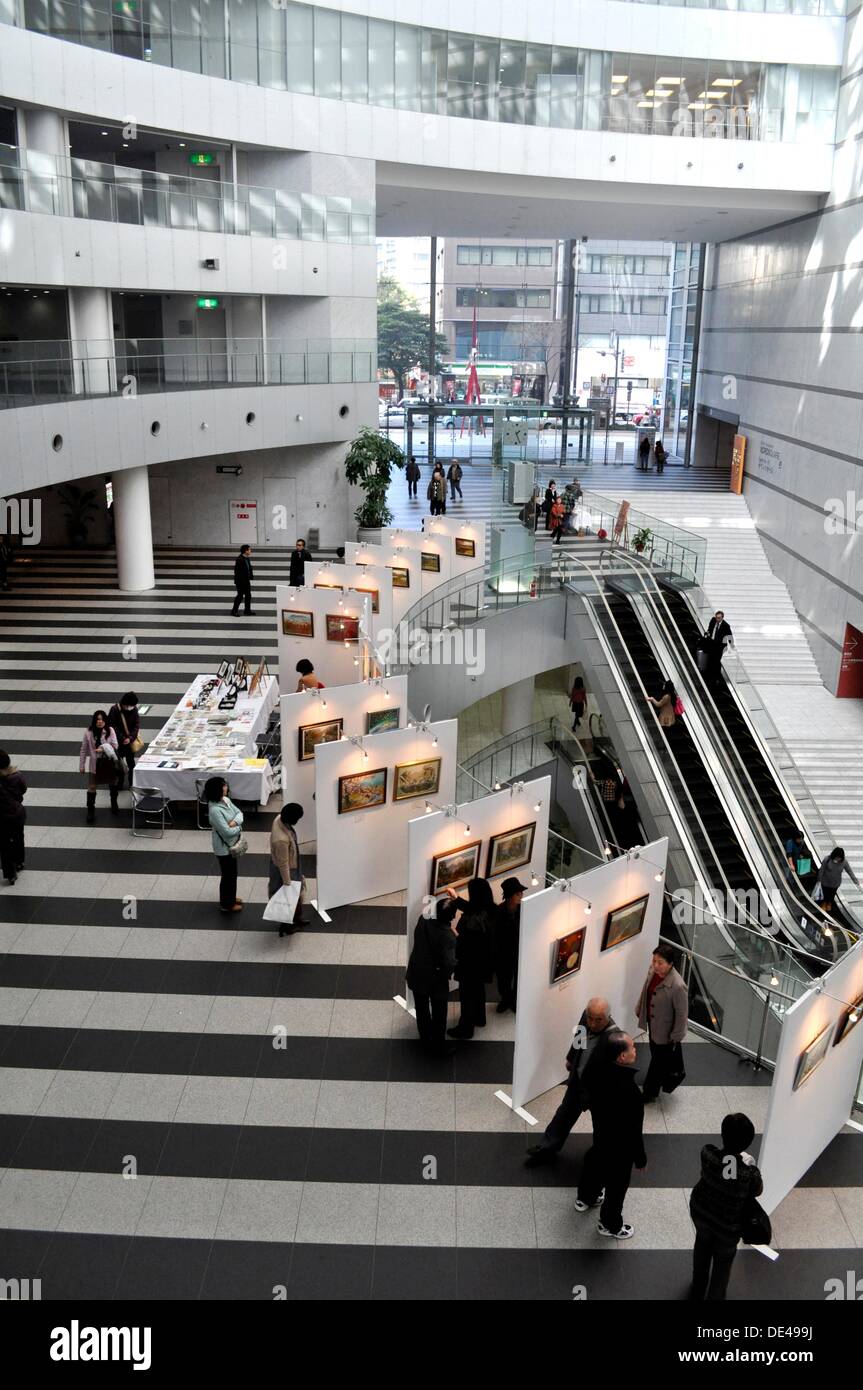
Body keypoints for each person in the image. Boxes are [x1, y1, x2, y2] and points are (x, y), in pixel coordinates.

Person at [525, 998, 617, 1166]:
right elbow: (579, 1035)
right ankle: (546, 1148)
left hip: (598, 1092)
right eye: (590, 1017)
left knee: (601, 1127)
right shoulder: (586, 1018)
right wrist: (571, 1057)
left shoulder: (615, 1038)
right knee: (563, 1116)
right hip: (578, 1083)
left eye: (598, 1020)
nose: (593, 1023)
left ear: (608, 1017)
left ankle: (600, 1157)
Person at [574, 1031, 646, 1240]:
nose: (635, 1050)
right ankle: (609, 1224)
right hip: (620, 1149)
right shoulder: (630, 1091)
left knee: (595, 1163)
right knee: (617, 1187)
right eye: (632, 1047)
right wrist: (640, 1158)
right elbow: (634, 1129)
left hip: (601, 1136)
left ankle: (586, 1197)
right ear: (621, 1057)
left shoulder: (595, 1072)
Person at [690, 1113, 763, 1301]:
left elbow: (723, 1166)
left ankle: (698, 1286)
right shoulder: (749, 1173)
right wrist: (749, 1163)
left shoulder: (707, 1153)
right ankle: (715, 1296)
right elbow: (757, 1190)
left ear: (723, 1135)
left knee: (702, 1247)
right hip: (728, 1227)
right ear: (747, 1144)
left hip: (702, 1213)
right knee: (723, 1262)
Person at [635, 943, 689, 1101]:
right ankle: (655, 1083)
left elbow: (682, 1014)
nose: (655, 965)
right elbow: (646, 990)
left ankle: (649, 1092)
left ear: (670, 964)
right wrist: (640, 1007)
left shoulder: (678, 986)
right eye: (654, 961)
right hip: (654, 1023)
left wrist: (676, 1035)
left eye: (660, 963)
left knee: (657, 1062)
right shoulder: (653, 971)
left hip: (666, 1031)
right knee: (656, 1057)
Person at [406, 898, 458, 1056]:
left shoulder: (423, 919)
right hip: (435, 980)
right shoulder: (448, 937)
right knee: (439, 1013)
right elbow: (449, 963)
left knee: (421, 1010)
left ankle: (425, 1040)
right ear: (451, 917)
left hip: (416, 972)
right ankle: (439, 1046)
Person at [445, 877, 495, 1039]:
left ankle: (465, 1028)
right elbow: (471, 907)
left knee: (467, 995)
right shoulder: (490, 908)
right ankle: (480, 1019)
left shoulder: (476, 920)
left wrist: (454, 934)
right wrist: (456, 898)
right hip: (484, 962)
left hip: (470, 963)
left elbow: (467, 943)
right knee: (479, 990)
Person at [268, 801, 309, 936]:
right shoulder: (280, 840)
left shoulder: (280, 819)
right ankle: (288, 925)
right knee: (288, 897)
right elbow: (283, 863)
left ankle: (297, 918)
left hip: (292, 863)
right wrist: (287, 882)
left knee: (296, 895)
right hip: (286, 870)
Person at [206, 776, 244, 914]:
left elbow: (239, 813)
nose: (226, 787)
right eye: (223, 786)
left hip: (231, 844)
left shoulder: (226, 800)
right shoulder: (215, 810)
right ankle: (226, 904)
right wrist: (239, 827)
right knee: (228, 876)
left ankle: (231, 898)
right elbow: (227, 832)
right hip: (224, 848)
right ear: (217, 789)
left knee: (232, 874)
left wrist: (234, 822)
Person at [79, 709, 120, 823]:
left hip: (108, 763)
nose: (100, 721)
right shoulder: (88, 732)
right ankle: (90, 810)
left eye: (102, 719)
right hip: (95, 765)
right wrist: (81, 765)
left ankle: (114, 803)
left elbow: (115, 746)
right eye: (97, 719)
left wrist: (103, 747)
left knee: (113, 783)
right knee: (92, 787)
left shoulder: (110, 730)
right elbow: (83, 749)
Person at [494, 876, 525, 1014]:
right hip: (503, 952)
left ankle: (515, 1001)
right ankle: (506, 999)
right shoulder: (499, 911)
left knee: (519, 978)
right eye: (517, 894)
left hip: (520, 951)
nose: (521, 896)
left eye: (521, 893)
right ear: (509, 896)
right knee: (503, 979)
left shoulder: (524, 909)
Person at [0, 749, 27, 884]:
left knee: (4, 844)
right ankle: (19, 862)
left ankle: (10, 874)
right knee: (18, 837)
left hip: (3, 817)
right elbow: (23, 789)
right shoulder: (17, 775)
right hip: (17, 812)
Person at [107, 692, 141, 792]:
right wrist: (122, 738)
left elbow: (137, 724)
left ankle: (132, 783)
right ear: (125, 703)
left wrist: (130, 738)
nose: (132, 707)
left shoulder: (133, 709)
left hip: (130, 742)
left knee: (131, 763)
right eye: (131, 705)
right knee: (119, 763)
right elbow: (112, 726)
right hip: (118, 743)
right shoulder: (115, 710)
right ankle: (120, 783)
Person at [815, 846, 851, 914]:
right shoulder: (827, 859)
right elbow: (821, 870)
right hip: (825, 882)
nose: (838, 859)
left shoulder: (844, 862)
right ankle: (824, 903)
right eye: (837, 857)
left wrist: (855, 880)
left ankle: (829, 903)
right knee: (825, 894)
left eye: (840, 858)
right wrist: (819, 879)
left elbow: (849, 870)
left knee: (832, 894)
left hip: (835, 883)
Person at [703, 610, 733, 686]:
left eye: (719, 618)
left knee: (716, 661)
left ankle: (716, 678)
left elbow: (729, 636)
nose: (717, 619)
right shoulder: (713, 620)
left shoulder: (726, 626)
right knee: (710, 660)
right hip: (711, 643)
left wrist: (731, 646)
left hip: (719, 646)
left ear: (722, 618)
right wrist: (708, 633)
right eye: (716, 617)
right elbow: (709, 629)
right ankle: (710, 676)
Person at [231, 543, 254, 616]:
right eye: (249, 549)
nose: (250, 551)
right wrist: (243, 582)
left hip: (246, 581)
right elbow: (237, 573)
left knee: (248, 596)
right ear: (245, 551)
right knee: (240, 596)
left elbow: (248, 568)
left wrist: (250, 576)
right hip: (240, 582)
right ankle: (234, 611)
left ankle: (247, 611)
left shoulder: (246, 558)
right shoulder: (239, 559)